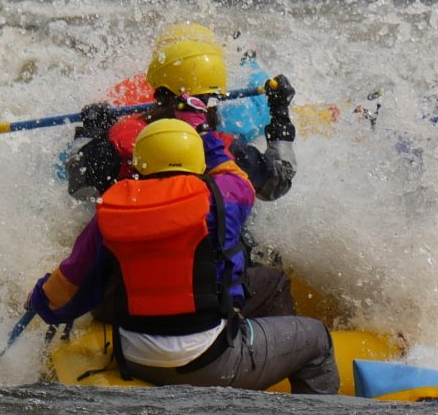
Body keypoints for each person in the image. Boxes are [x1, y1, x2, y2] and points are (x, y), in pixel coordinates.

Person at [25, 118, 340, 394]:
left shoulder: (110, 211)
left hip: (135, 358)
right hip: (209, 362)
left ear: (138, 163)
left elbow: (64, 296)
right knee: (318, 340)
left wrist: (37, 298)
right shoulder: (223, 199)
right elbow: (236, 175)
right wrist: (200, 128)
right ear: (196, 161)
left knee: (266, 282)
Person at [66, 27, 298, 205]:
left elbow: (78, 186)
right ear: (211, 98)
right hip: (204, 264)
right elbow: (278, 182)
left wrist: (91, 132)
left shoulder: (120, 140)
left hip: (132, 261)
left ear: (156, 90)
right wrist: (280, 116)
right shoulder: (225, 150)